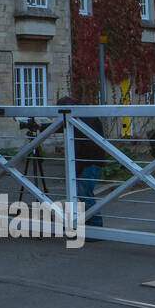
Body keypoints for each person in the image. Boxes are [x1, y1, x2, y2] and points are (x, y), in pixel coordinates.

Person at [58, 94, 105, 228]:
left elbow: (85, 141)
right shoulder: (84, 115)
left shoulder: (81, 118)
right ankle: (90, 221)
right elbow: (63, 125)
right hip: (91, 160)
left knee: (85, 194)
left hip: (89, 161)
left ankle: (95, 224)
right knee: (84, 193)